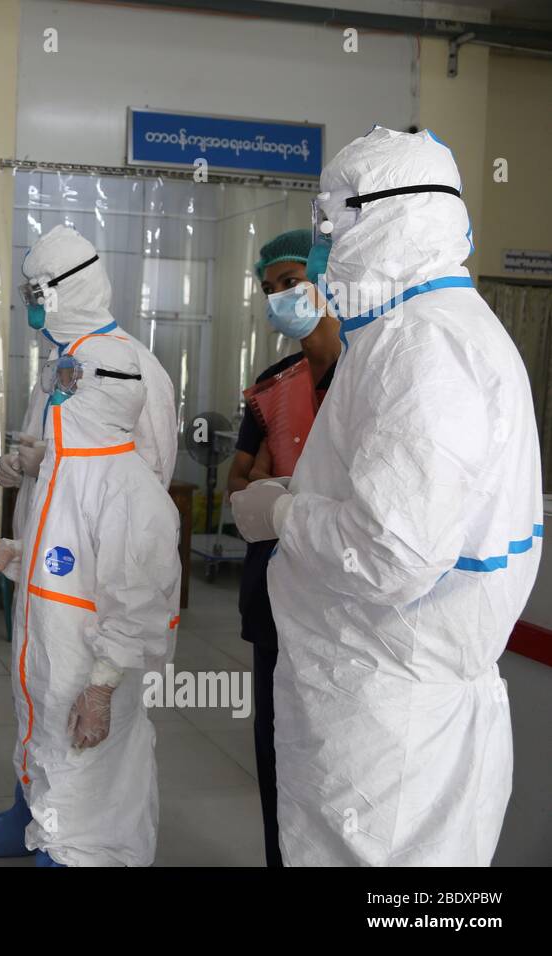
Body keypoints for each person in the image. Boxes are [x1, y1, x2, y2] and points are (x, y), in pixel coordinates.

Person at [231, 127, 542, 865]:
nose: (319, 253)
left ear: (382, 219)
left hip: (390, 723)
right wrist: (299, 489)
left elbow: (391, 553)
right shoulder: (414, 334)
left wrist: (280, 513)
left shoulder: (424, 348)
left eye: (329, 226)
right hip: (379, 695)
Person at [0, 224, 178, 859]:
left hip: (94, 581)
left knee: (83, 713)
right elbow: (56, 456)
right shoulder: (57, 362)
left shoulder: (132, 365)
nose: (31, 304)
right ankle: (33, 809)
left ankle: (83, 840)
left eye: (38, 291)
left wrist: (72, 550)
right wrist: (23, 476)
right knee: (39, 696)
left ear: (72, 286)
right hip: (44, 565)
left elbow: (145, 473)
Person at [227, 229, 340, 867]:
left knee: (333, 750)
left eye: (292, 280)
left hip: (341, 597)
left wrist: (281, 491)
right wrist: (287, 492)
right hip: (273, 588)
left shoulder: (366, 371)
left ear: (327, 276)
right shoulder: (273, 385)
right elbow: (239, 485)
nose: (280, 296)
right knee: (273, 745)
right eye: (270, 288)